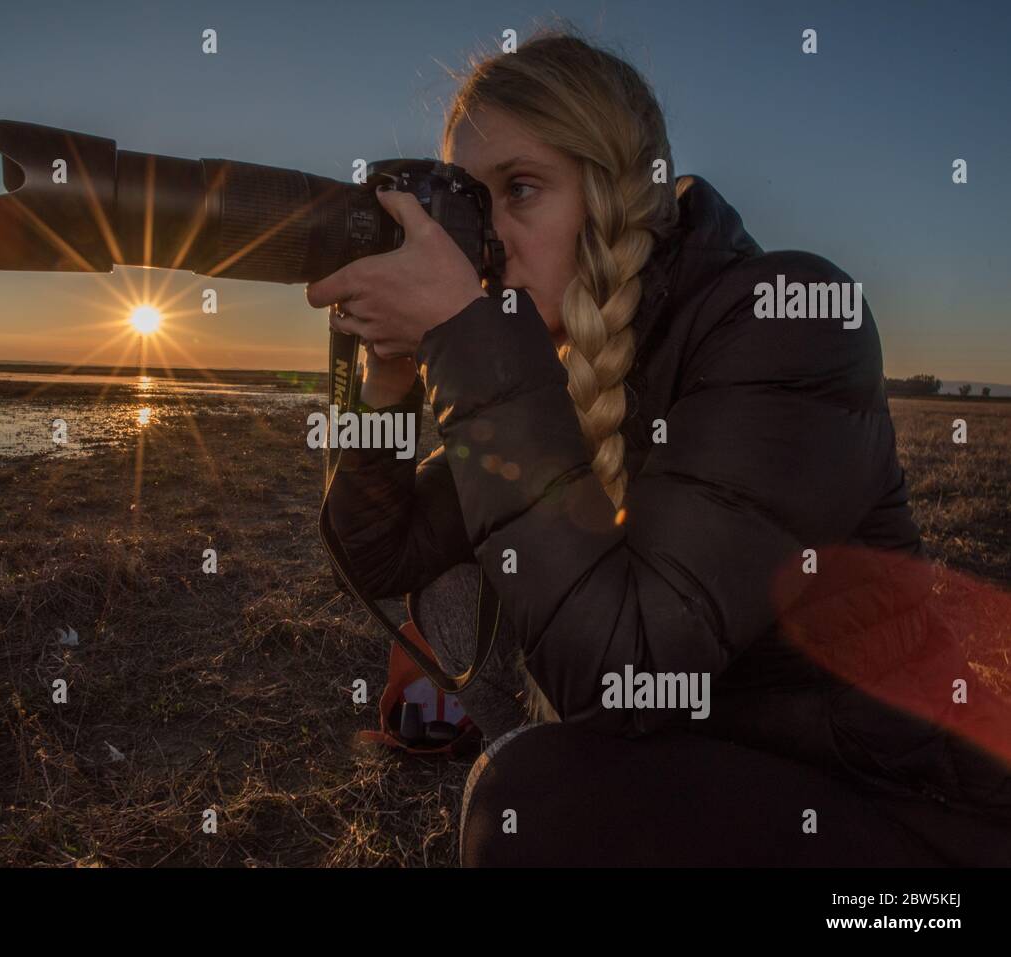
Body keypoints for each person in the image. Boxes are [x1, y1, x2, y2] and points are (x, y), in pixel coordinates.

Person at [307, 27, 1011, 866]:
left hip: (900, 838)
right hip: (716, 770)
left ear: (614, 196)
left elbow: (626, 674)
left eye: (522, 190)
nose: (483, 245)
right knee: (459, 596)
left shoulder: (790, 317)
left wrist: (467, 336)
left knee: (535, 804)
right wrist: (383, 381)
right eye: (471, 201)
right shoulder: (552, 367)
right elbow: (382, 552)